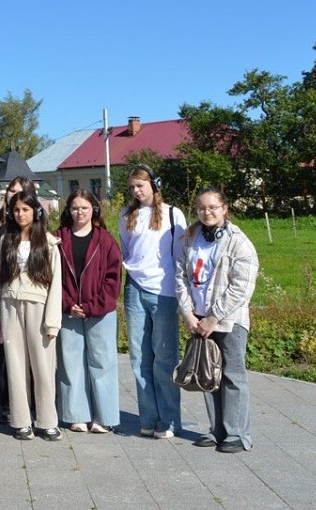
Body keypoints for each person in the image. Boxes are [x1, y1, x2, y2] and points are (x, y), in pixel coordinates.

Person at [175, 187, 259, 453]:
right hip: (198, 318)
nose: (206, 212)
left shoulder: (238, 242)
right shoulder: (190, 238)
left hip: (229, 320)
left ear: (225, 209)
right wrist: (188, 313)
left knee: (232, 375)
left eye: (212, 207)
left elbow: (242, 286)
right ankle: (217, 430)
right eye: (201, 208)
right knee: (208, 374)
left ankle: (237, 434)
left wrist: (214, 317)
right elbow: (180, 277)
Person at [120, 164, 188, 439]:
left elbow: (180, 254)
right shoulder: (126, 214)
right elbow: (127, 248)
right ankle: (148, 418)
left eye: (141, 185)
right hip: (134, 287)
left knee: (165, 357)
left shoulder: (173, 214)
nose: (136, 191)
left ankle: (169, 420)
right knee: (139, 357)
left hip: (164, 291)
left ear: (154, 185)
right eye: (133, 187)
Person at [0, 191, 62, 441]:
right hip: (10, 306)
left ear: (36, 211)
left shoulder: (49, 243)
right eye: (16, 210)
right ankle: (21, 421)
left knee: (43, 366)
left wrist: (52, 321)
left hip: (38, 306)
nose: (21, 214)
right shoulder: (6, 242)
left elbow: (56, 285)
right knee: (16, 366)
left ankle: (47, 421)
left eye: (25, 209)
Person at [55, 190, 121, 434]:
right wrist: (67, 303)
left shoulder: (105, 240)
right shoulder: (58, 239)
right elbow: (50, 277)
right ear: (68, 211)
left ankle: (104, 417)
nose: (79, 212)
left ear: (94, 209)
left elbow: (113, 279)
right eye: (74, 208)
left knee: (102, 363)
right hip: (68, 311)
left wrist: (92, 306)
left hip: (100, 312)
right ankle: (76, 415)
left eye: (84, 207)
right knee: (70, 364)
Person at [0, 177, 34, 415]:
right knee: (4, 351)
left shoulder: (30, 224)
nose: (14, 194)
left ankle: (28, 403)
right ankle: (7, 404)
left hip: (25, 296)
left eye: (20, 192)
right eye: (11, 190)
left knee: (27, 352)